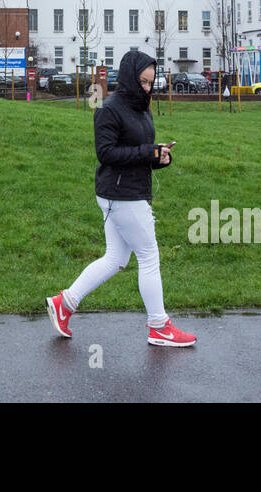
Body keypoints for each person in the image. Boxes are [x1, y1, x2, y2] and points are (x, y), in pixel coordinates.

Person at [46, 49, 197, 347]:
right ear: (129, 76)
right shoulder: (108, 108)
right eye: (143, 81)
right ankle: (159, 326)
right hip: (121, 196)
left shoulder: (141, 107)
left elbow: (140, 149)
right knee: (149, 256)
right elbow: (106, 153)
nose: (147, 88)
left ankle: (65, 303)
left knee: (116, 258)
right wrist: (147, 152)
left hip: (126, 192)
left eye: (151, 82)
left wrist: (159, 157)